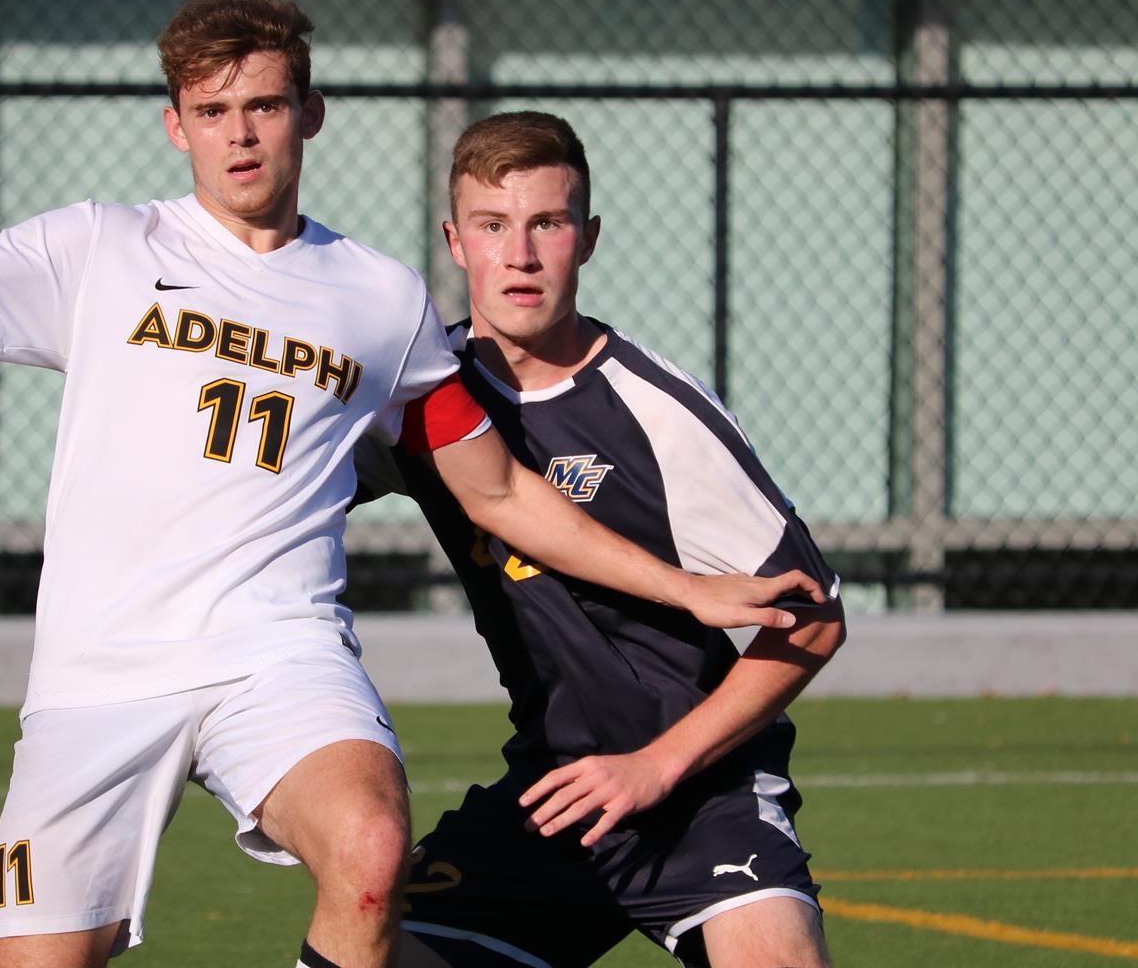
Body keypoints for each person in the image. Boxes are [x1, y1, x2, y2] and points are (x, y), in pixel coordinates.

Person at [0, 0, 822, 968]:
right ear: (176, 127)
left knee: (368, 850)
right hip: (99, 675)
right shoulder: (97, 248)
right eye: (213, 112)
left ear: (309, 110)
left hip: (278, 651)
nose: (241, 133)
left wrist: (692, 591)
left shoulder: (380, 299)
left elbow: (503, 491)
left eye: (263, 104)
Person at [356, 111, 845, 968]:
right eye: (493, 225)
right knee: (364, 949)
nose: (521, 253)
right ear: (455, 240)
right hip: (552, 797)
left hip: (703, 791)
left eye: (548, 223)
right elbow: (286, 486)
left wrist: (656, 767)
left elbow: (814, 619)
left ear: (587, 239)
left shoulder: (657, 414)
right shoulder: (422, 398)